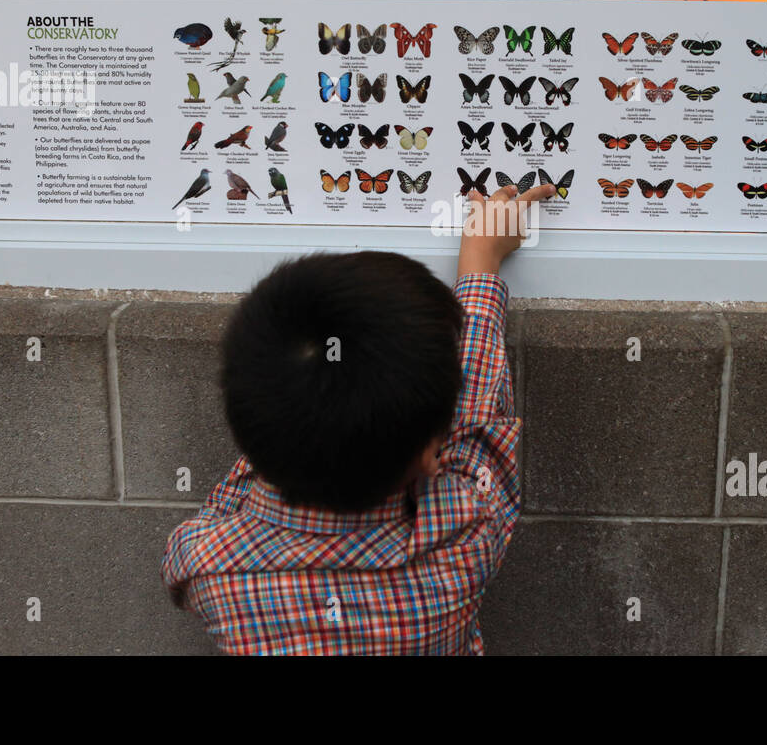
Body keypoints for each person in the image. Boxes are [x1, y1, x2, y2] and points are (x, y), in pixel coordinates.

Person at [162, 182, 556, 653]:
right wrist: (481, 261)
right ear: (433, 454)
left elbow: (221, 514)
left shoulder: (207, 565)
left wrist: (282, 421)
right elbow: (478, 416)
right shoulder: (465, 530)